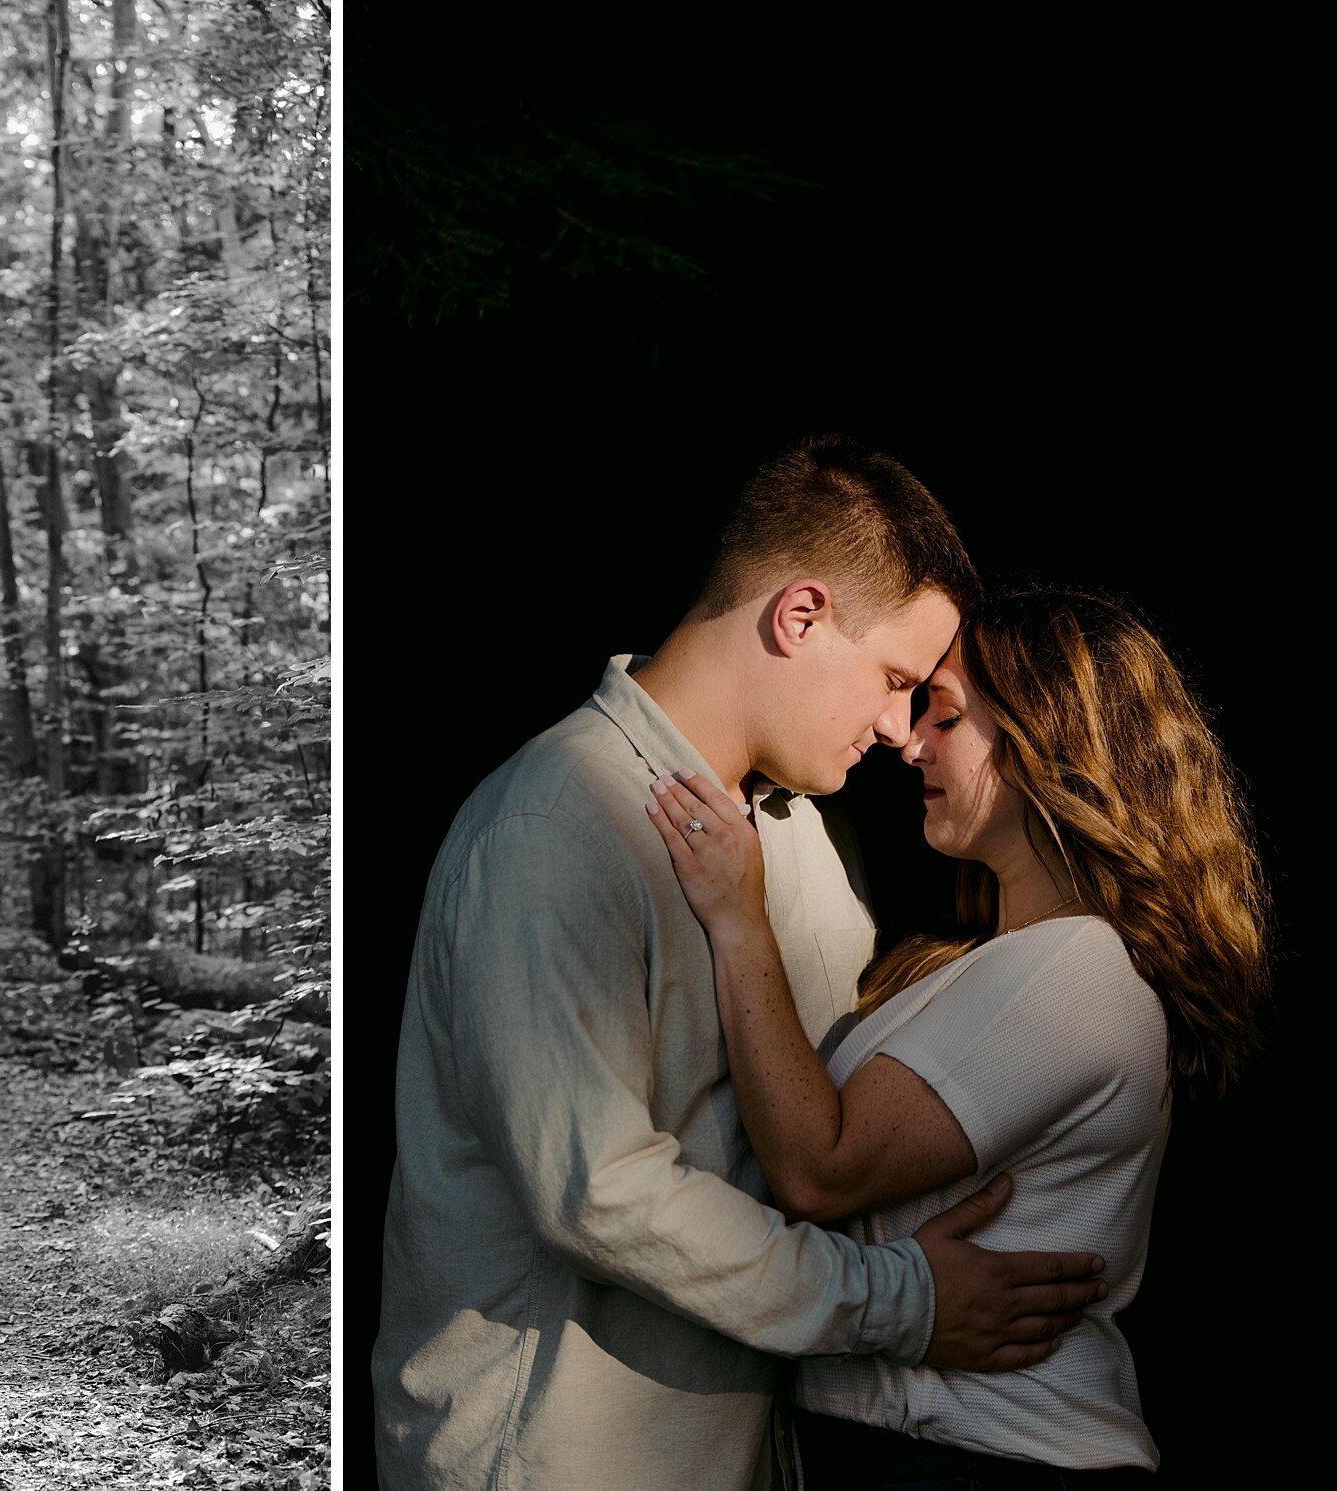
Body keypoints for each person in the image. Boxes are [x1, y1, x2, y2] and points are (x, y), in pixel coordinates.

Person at [374, 436, 1113, 1491]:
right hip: (557, 1457)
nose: (899, 727)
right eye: (896, 679)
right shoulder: (551, 825)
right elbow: (598, 1191)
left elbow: (814, 1131)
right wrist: (899, 1300)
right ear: (798, 615)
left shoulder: (799, 831)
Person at [645, 585, 1271, 1486]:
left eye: (945, 715)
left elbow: (820, 1167)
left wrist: (739, 921)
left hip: (980, 1451)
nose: (910, 740)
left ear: (1041, 741)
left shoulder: (1082, 970)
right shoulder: (990, 961)